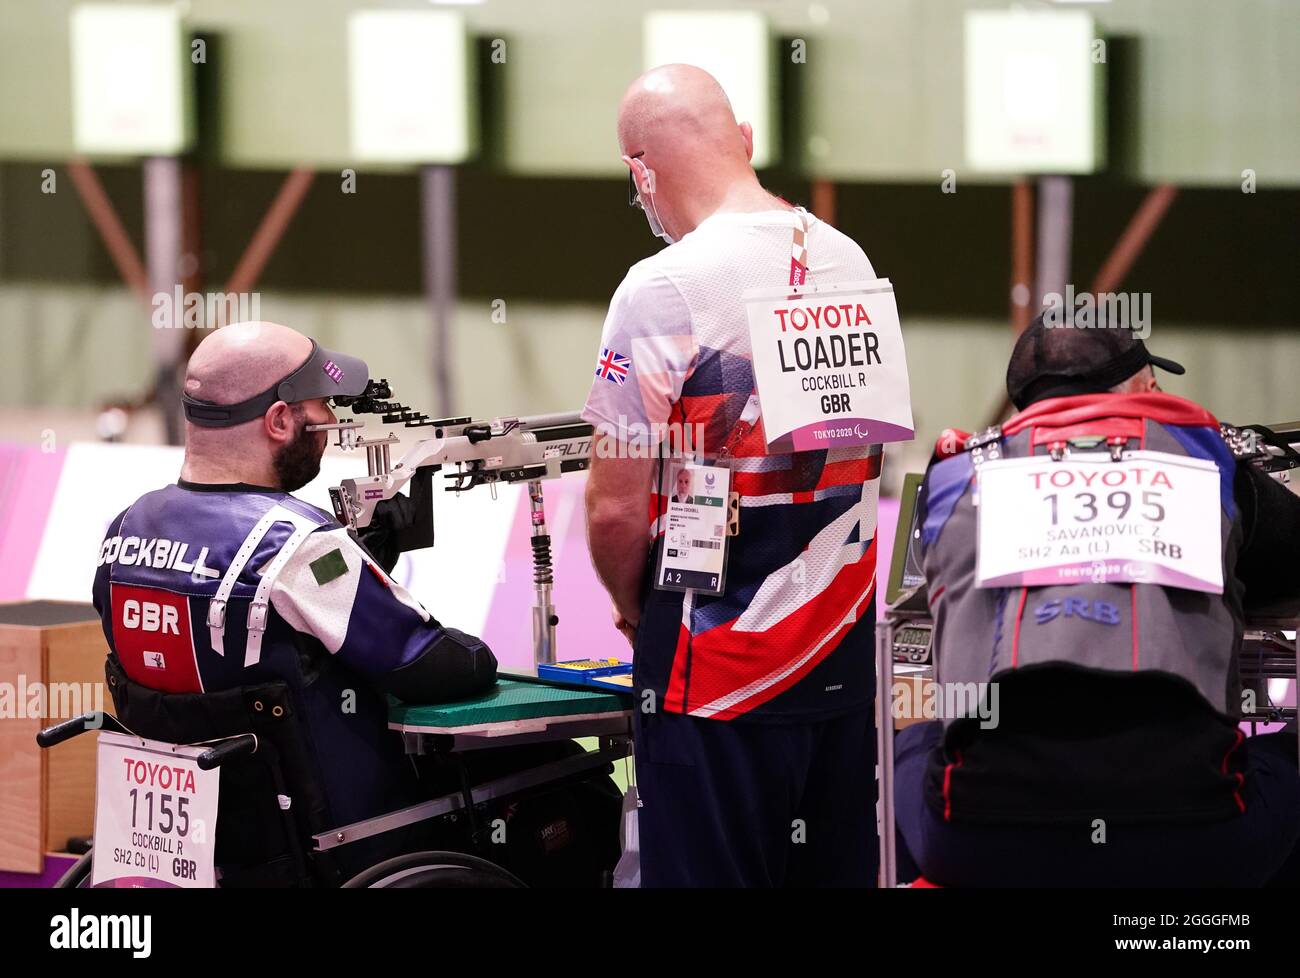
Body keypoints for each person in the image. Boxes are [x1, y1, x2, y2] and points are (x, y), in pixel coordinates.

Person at [583, 65, 886, 886]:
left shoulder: (661, 287)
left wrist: (626, 605)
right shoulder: (848, 257)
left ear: (640, 172)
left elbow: (614, 507)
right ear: (744, 140)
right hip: (841, 658)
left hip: (714, 668)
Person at [895, 310, 1300, 887]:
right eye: (1153, 384)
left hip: (977, 842)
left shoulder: (954, 474)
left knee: (912, 739)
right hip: (1198, 837)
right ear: (1137, 390)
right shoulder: (1206, 459)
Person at [91, 321, 498, 881]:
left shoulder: (125, 531)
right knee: (564, 776)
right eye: (321, 405)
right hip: (345, 838)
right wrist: (479, 655)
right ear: (280, 420)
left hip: (215, 843)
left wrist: (360, 558)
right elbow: (431, 666)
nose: (330, 422)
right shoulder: (295, 543)